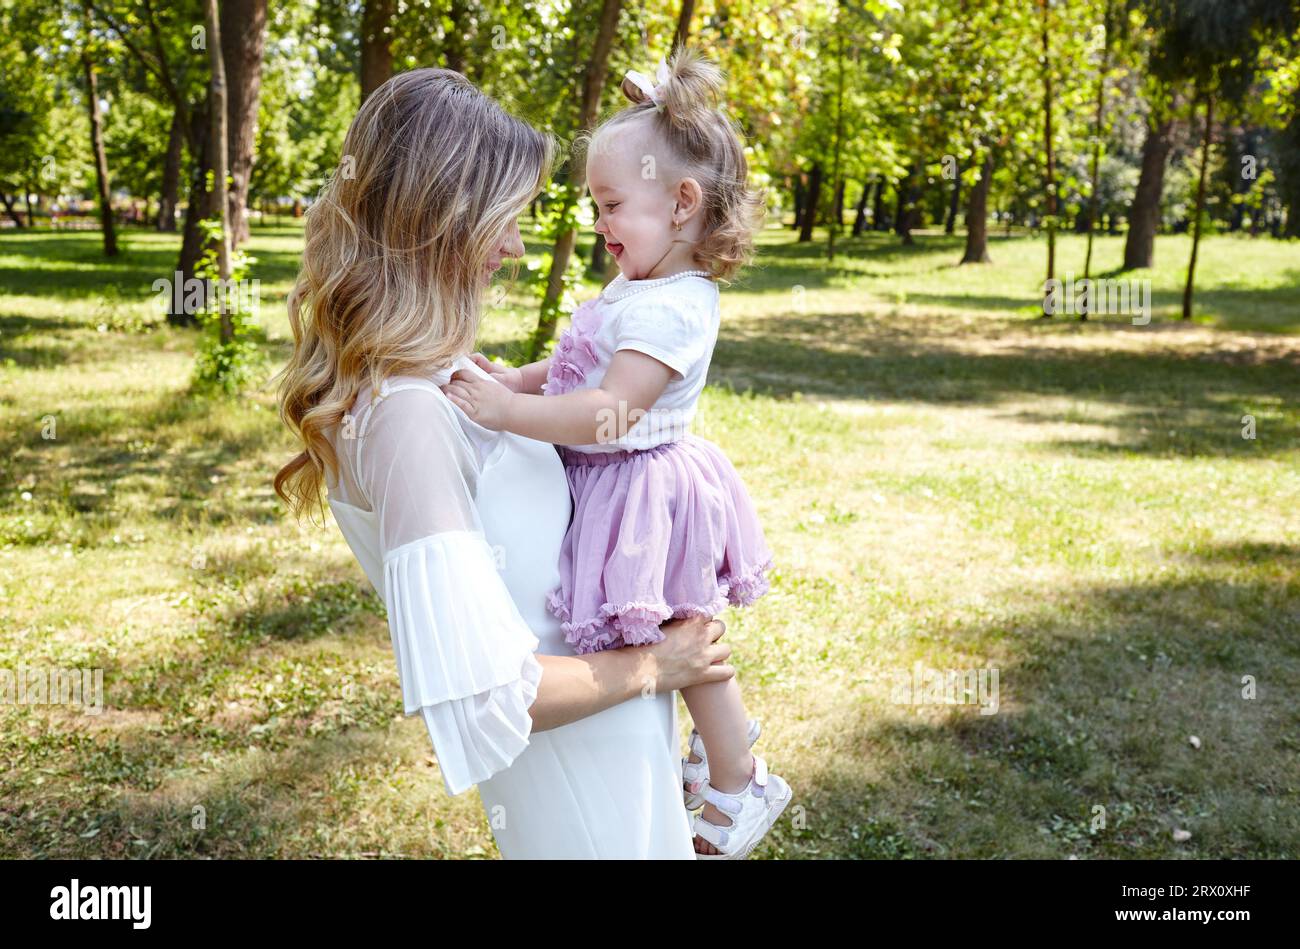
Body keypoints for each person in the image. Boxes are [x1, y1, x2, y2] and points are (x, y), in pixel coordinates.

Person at [274, 67, 734, 859]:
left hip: (617, 755)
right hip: (583, 796)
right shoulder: (406, 417)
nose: (518, 248)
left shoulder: (431, 382)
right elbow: (487, 698)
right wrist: (661, 663)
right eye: (505, 220)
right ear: (440, 221)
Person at [441, 47, 790, 859]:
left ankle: (739, 773)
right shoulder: (637, 286)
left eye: (610, 205)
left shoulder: (678, 307)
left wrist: (509, 409)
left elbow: (612, 411)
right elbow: (577, 367)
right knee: (655, 624)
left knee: (678, 625)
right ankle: (702, 754)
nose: (599, 224)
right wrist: (516, 376)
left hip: (643, 485)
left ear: (681, 204)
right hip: (610, 480)